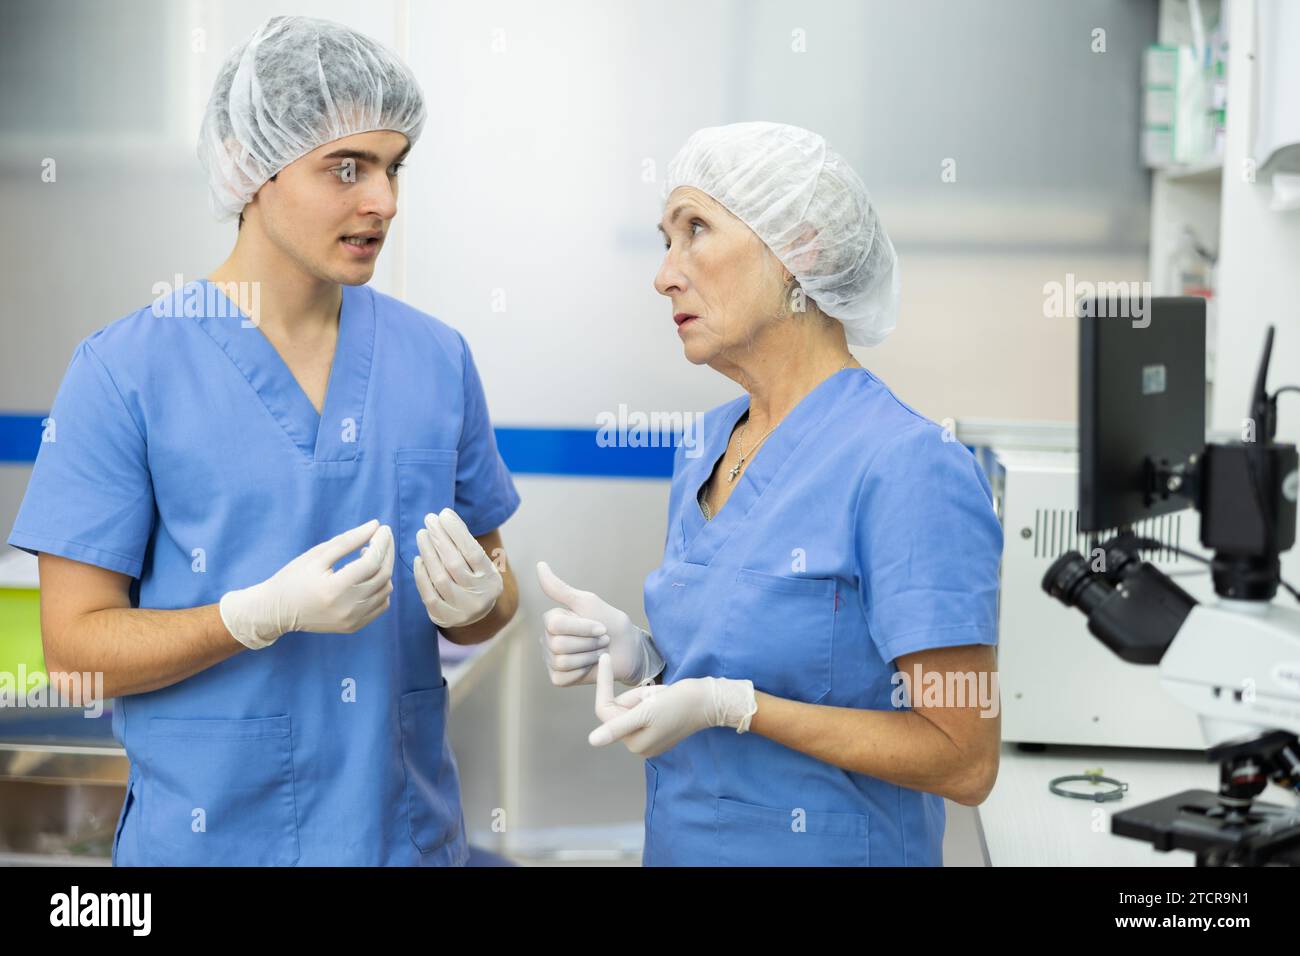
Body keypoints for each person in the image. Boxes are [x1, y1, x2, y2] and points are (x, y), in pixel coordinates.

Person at [7, 15, 520, 866]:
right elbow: (73, 654)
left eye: (395, 168)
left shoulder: (435, 358)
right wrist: (249, 618)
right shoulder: (125, 371)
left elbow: (493, 596)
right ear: (252, 165)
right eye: (346, 169)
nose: (383, 202)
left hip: (403, 841)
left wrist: (482, 604)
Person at [538, 122, 1002, 866]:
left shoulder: (909, 466)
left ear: (801, 252)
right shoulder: (704, 447)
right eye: (665, 239)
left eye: (696, 229)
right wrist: (646, 662)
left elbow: (963, 759)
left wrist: (738, 707)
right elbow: (733, 654)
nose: (665, 274)